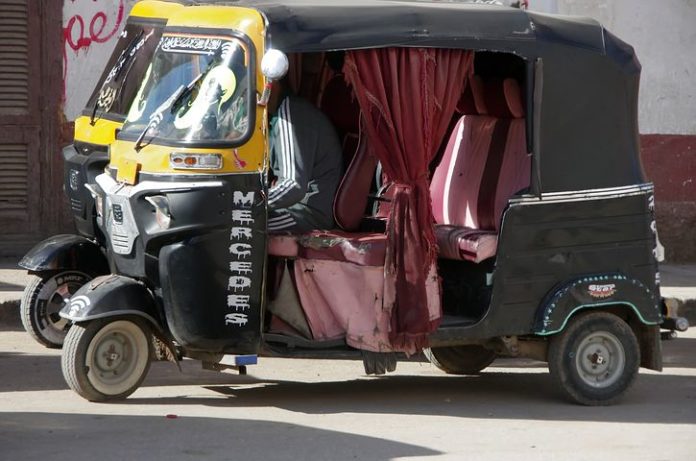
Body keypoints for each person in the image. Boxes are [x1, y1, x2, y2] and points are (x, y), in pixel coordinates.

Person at [266, 78, 344, 233]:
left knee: (240, 227)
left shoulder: (290, 113)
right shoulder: (277, 115)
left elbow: (292, 185)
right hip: (295, 207)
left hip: (308, 213)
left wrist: (248, 202)